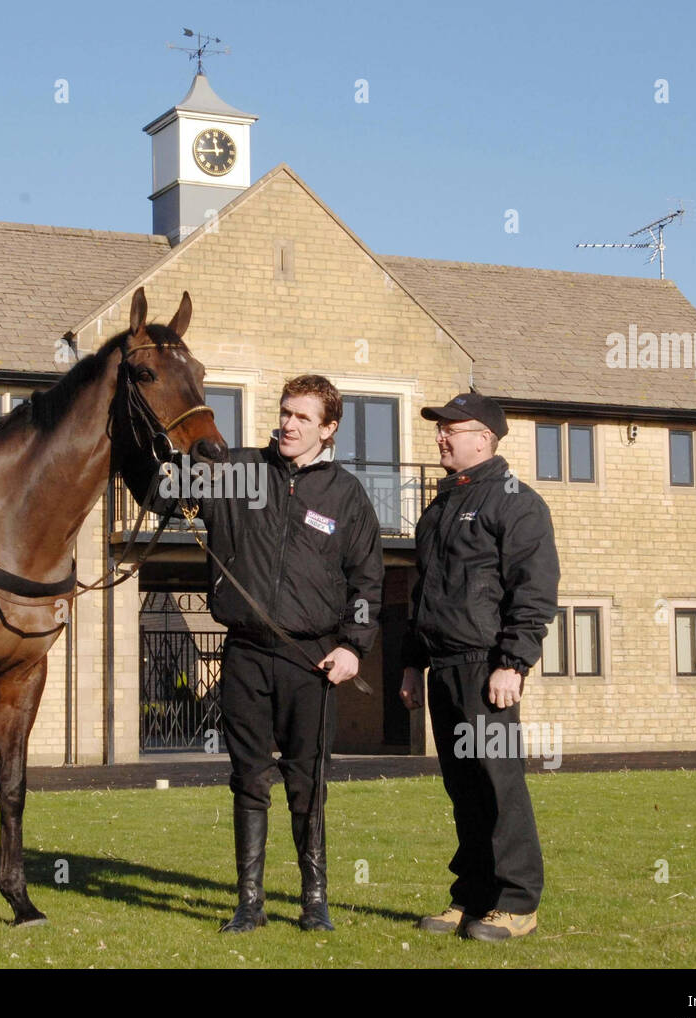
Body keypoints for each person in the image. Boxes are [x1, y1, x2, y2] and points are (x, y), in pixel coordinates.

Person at [192, 375, 384, 933]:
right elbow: (167, 490)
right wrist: (187, 458)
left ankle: (314, 898)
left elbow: (368, 584)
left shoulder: (346, 496)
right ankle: (248, 903)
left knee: (307, 783)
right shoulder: (242, 472)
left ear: (328, 429)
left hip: (312, 661)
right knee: (248, 780)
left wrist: (354, 646)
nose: (288, 425)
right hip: (245, 654)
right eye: (284, 413)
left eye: (302, 418)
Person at [399, 392, 559, 942]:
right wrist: (409, 666)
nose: (440, 436)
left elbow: (534, 592)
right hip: (442, 669)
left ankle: (517, 903)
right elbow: (423, 595)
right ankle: (471, 898)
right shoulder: (440, 507)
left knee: (498, 784)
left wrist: (513, 663)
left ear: (484, 437)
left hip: (486, 669)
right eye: (439, 428)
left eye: (451, 428)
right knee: (462, 789)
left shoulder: (517, 503)